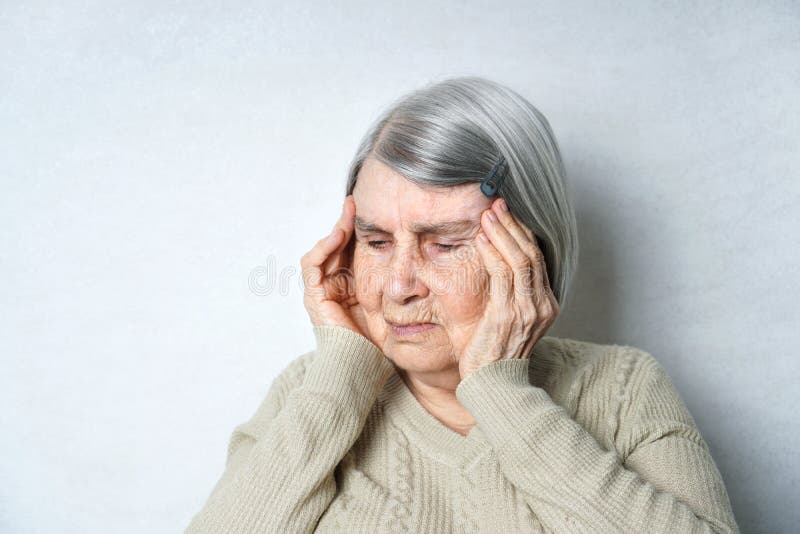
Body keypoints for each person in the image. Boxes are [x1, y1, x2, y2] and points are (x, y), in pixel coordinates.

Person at [185, 77, 739, 533]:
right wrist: (339, 374)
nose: (398, 286)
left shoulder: (624, 388)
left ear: (532, 250)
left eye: (445, 245)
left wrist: (500, 391)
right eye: (376, 242)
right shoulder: (313, 389)